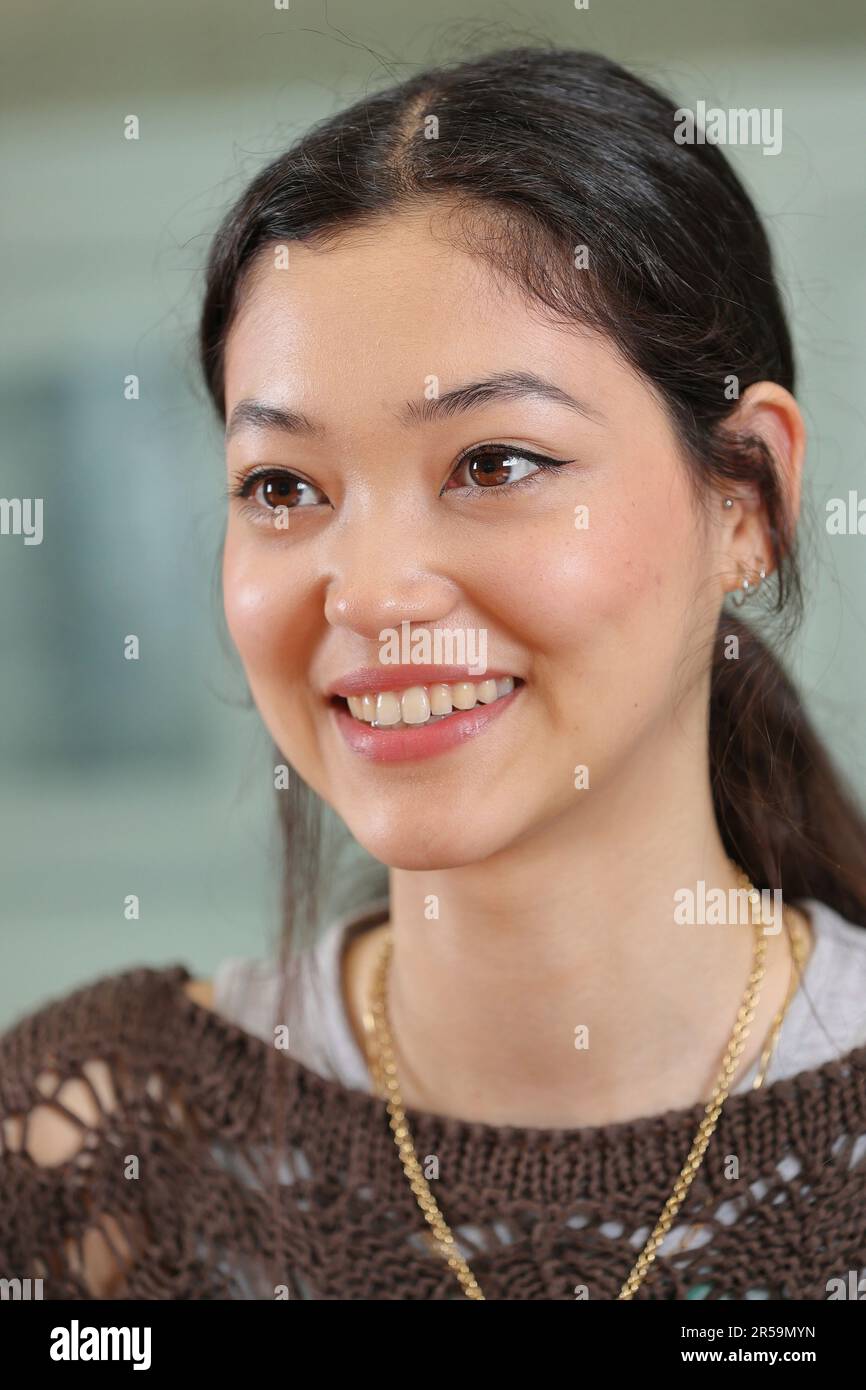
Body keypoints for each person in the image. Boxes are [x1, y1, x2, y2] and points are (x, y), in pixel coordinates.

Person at [2, 45, 865, 1301]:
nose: (368, 590)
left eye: (495, 462)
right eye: (283, 488)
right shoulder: (90, 1146)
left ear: (745, 497)